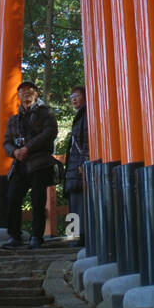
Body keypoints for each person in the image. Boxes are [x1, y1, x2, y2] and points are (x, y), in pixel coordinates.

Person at [2, 80, 58, 249]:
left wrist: (28, 147)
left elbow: (50, 133)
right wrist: (14, 152)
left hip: (39, 163)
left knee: (38, 200)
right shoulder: (14, 120)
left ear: (36, 94)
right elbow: (6, 142)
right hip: (20, 164)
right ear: (18, 96)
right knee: (12, 197)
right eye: (23, 91)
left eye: (30, 91)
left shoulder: (46, 113)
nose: (26, 93)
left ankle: (36, 236)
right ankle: (15, 236)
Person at [63, 86, 89, 241]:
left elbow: (86, 139)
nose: (73, 98)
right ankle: (73, 235)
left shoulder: (85, 116)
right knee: (74, 198)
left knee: (78, 199)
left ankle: (77, 236)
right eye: (71, 96)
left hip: (78, 164)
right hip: (73, 166)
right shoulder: (79, 116)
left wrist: (83, 161)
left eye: (77, 95)